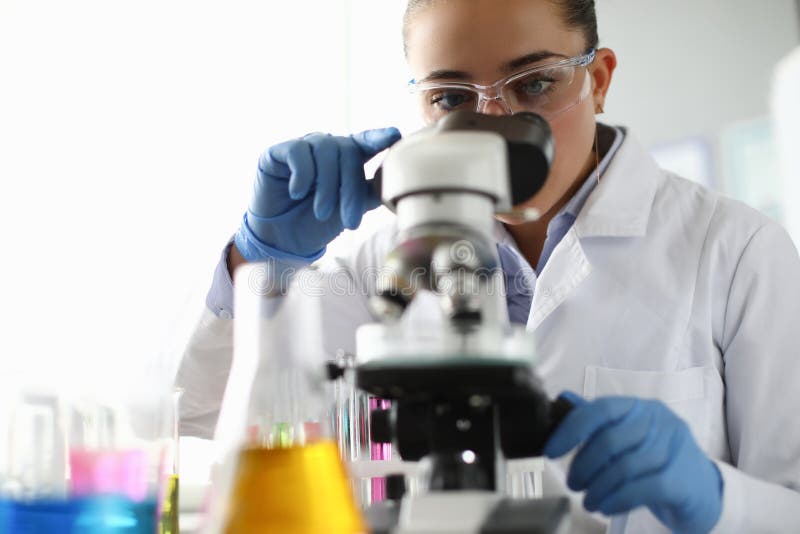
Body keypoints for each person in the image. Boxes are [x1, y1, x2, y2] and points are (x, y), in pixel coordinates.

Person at [175, 1, 800, 532]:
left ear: (600, 79)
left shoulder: (736, 252)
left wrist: (719, 500)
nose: (494, 124)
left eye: (533, 84)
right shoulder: (384, 258)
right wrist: (262, 260)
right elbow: (203, 415)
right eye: (451, 96)